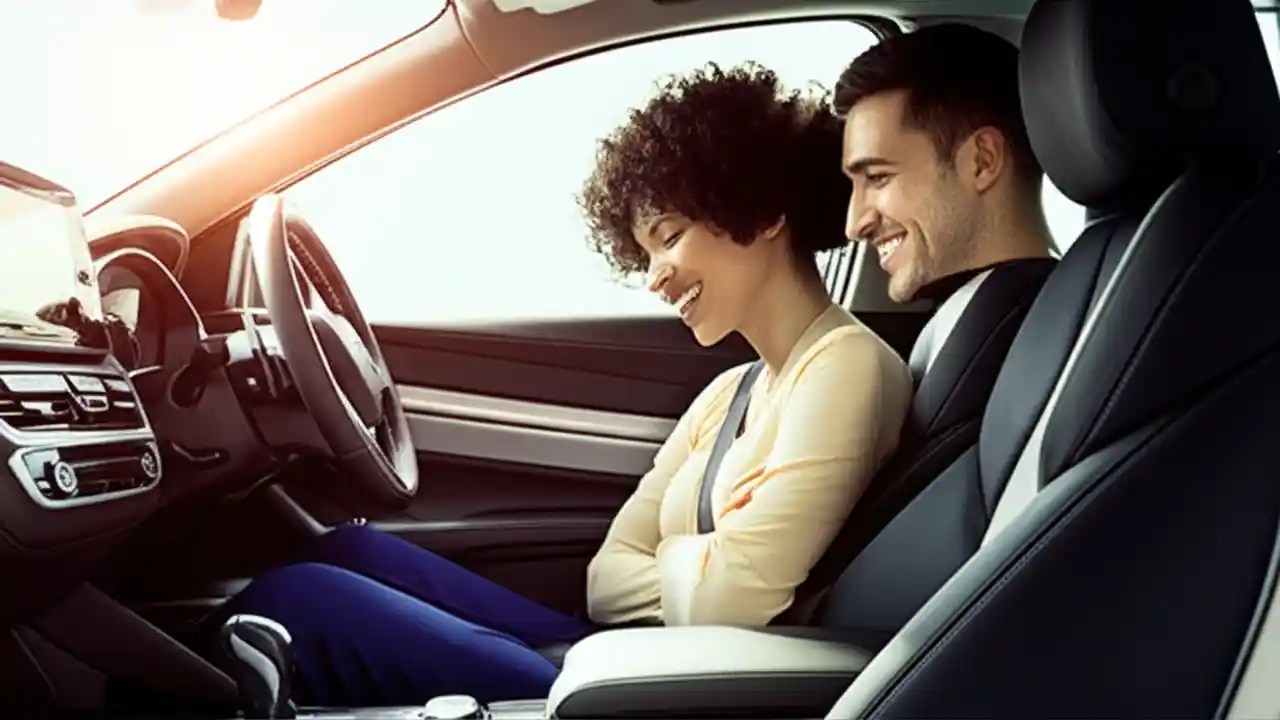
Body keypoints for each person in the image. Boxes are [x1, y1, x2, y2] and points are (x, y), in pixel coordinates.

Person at [210, 62, 913, 707]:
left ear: (760, 212)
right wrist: (697, 564)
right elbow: (606, 580)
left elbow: (726, 607)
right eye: (643, 251)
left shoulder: (845, 366)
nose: (654, 275)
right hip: (638, 645)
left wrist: (676, 563)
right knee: (347, 550)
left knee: (303, 599)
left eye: (668, 236)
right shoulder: (728, 395)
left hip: (685, 679)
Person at [835, 24, 1054, 312]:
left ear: (982, 162)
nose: (854, 226)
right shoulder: (970, 319)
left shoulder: (1014, 330)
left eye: (878, 177)